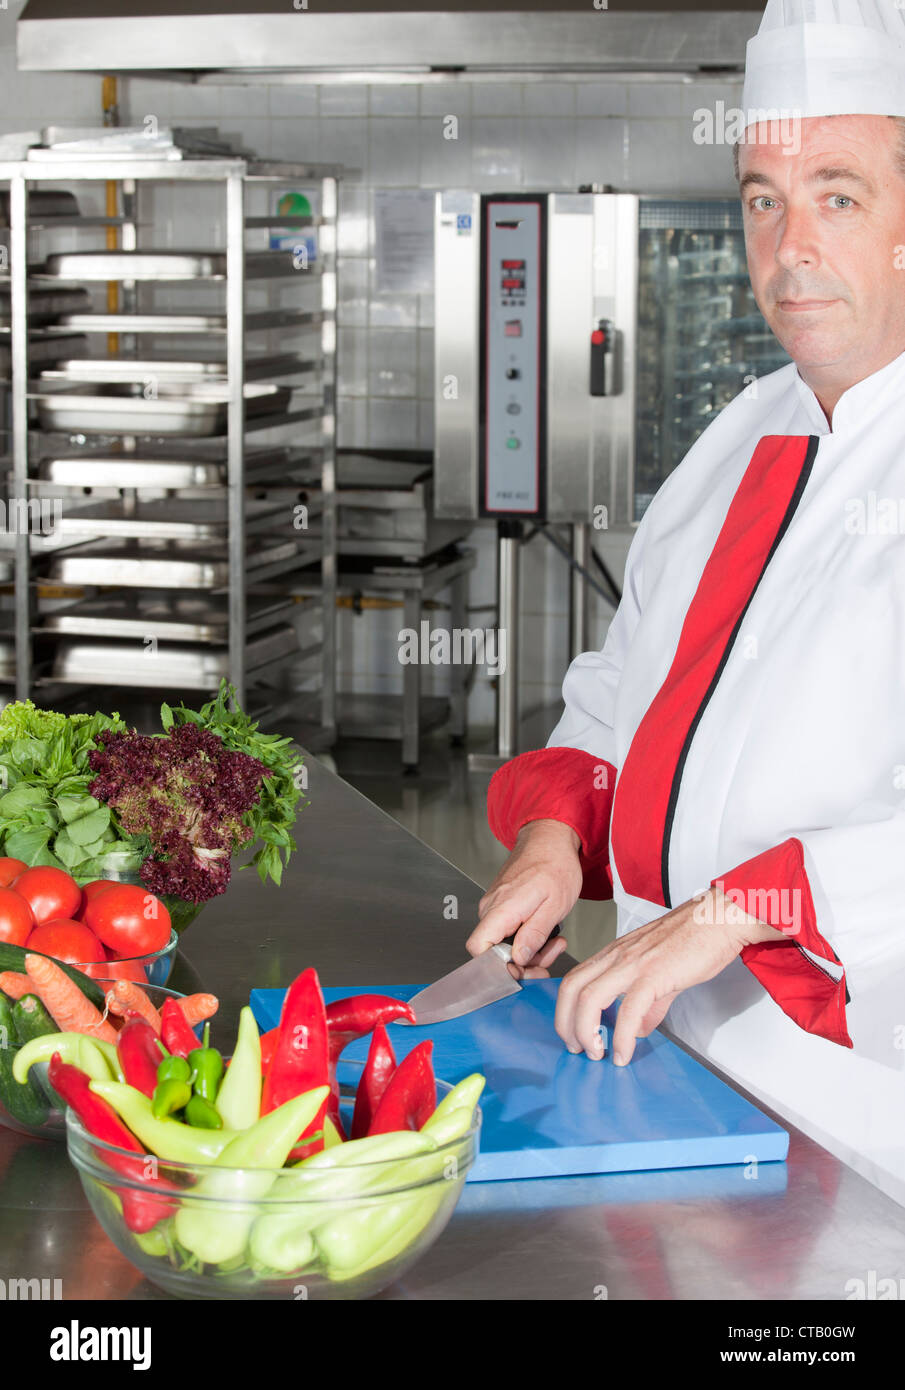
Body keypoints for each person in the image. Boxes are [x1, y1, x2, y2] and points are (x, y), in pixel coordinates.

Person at [467, 0, 905, 1206]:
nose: (786, 247)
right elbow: (622, 694)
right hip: (670, 1066)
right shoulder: (739, 430)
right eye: (760, 196)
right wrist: (556, 838)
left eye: (838, 193)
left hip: (869, 1107)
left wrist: (732, 909)